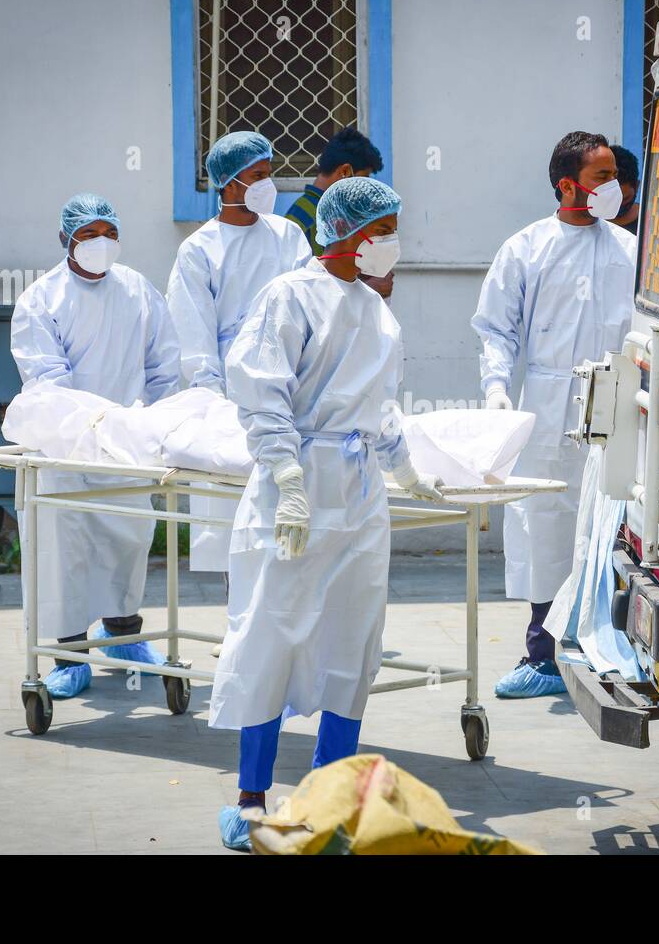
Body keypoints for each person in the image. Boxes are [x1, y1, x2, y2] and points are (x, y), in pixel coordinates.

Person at [211, 177, 443, 851]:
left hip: (361, 496)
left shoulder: (378, 311)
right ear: (348, 234)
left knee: (354, 642)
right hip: (299, 492)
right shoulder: (289, 296)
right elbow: (260, 394)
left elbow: (380, 410)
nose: (394, 242)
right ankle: (251, 799)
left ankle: (329, 799)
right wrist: (285, 477)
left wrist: (405, 472)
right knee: (270, 635)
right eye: (386, 228)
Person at [471, 132, 636, 699]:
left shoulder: (630, 250)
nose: (613, 187)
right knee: (545, 527)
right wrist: (496, 390)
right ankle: (543, 658)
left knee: (615, 526)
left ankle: (612, 650)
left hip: (618, 405)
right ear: (567, 185)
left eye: (614, 175)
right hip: (547, 405)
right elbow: (496, 329)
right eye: (600, 177)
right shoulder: (525, 249)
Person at [10, 193, 182, 699]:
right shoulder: (41, 301)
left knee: (129, 539)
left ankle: (124, 634)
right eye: (89, 235)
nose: (101, 243)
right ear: (66, 240)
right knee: (67, 550)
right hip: (65, 445)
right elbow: (47, 379)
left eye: (109, 233)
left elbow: (163, 365)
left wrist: (157, 425)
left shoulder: (137, 290)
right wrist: (91, 428)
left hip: (128, 444)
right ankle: (68, 652)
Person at [166, 131, 311, 586]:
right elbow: (193, 336)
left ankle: (284, 625)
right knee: (238, 514)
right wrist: (214, 400)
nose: (269, 184)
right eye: (258, 176)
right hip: (230, 395)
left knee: (290, 505)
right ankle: (240, 623)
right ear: (229, 184)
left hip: (292, 383)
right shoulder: (199, 250)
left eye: (270, 174)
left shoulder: (288, 237)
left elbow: (310, 305)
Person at [285, 126, 395, 299]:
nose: (365, 188)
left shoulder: (346, 214)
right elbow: (306, 288)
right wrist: (366, 289)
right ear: (344, 172)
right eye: (363, 179)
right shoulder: (304, 220)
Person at [611, 144, 641, 234]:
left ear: (636, 186)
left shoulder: (651, 221)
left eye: (624, 199)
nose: (618, 205)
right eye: (612, 199)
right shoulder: (588, 223)